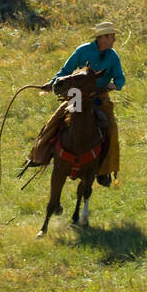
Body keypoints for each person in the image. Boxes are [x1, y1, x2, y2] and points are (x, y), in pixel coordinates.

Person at [28, 21, 124, 184]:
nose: (114, 40)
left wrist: (114, 85)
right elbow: (65, 71)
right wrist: (52, 83)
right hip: (77, 97)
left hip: (100, 98)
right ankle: (39, 155)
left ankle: (104, 171)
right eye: (111, 36)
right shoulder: (82, 51)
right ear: (102, 37)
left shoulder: (113, 56)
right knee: (55, 120)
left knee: (112, 128)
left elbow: (120, 78)